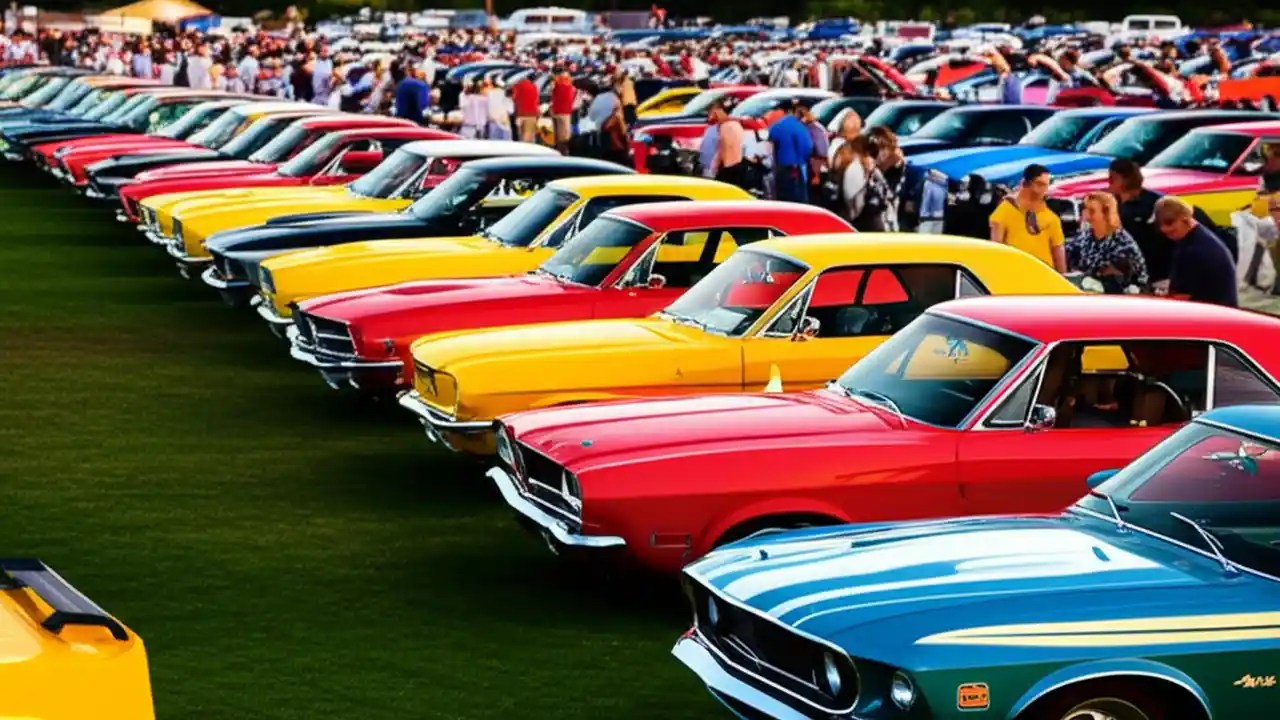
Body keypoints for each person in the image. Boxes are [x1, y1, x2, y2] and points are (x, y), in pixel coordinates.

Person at [1107, 158, 1236, 285]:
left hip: (1162, 274)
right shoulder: (1117, 204)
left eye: (1112, 178)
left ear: (1124, 179)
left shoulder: (1152, 205)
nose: (1109, 183)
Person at [1154, 196, 1237, 306]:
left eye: (1169, 222)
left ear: (1184, 218)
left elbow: (1182, 297)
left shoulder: (1192, 251)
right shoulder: (1203, 238)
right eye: (1161, 223)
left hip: (1211, 313)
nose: (1164, 228)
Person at [1065, 192, 1149, 293]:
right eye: (1085, 209)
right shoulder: (1083, 238)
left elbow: (1122, 280)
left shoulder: (1123, 244)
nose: (1086, 216)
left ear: (1106, 214)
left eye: (1092, 211)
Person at [989, 164, 1067, 272]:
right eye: (1039, 184)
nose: (1043, 190)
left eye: (1046, 186)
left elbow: (1058, 251)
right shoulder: (1005, 211)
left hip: (1044, 278)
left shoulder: (1051, 219)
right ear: (1025, 183)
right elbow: (996, 250)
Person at [770, 102, 814, 203]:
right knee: (798, 199)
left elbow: (770, 140)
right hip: (796, 168)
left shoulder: (777, 125)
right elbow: (807, 147)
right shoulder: (799, 127)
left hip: (780, 167)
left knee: (782, 200)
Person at [709, 101, 744, 187]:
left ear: (718, 111)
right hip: (737, 164)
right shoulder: (735, 124)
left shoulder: (725, 126)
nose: (711, 116)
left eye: (712, 112)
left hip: (729, 166)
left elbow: (724, 149)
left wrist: (716, 166)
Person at [549, 71, 575, 153]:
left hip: (555, 111)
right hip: (565, 113)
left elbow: (551, 91)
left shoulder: (556, 83)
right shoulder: (570, 86)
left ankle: (556, 150)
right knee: (564, 136)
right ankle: (562, 152)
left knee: (557, 135)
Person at [511, 74, 540, 143]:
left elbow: (513, 98)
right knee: (528, 137)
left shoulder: (516, 86)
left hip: (519, 115)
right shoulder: (533, 87)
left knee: (520, 136)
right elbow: (536, 102)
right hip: (531, 115)